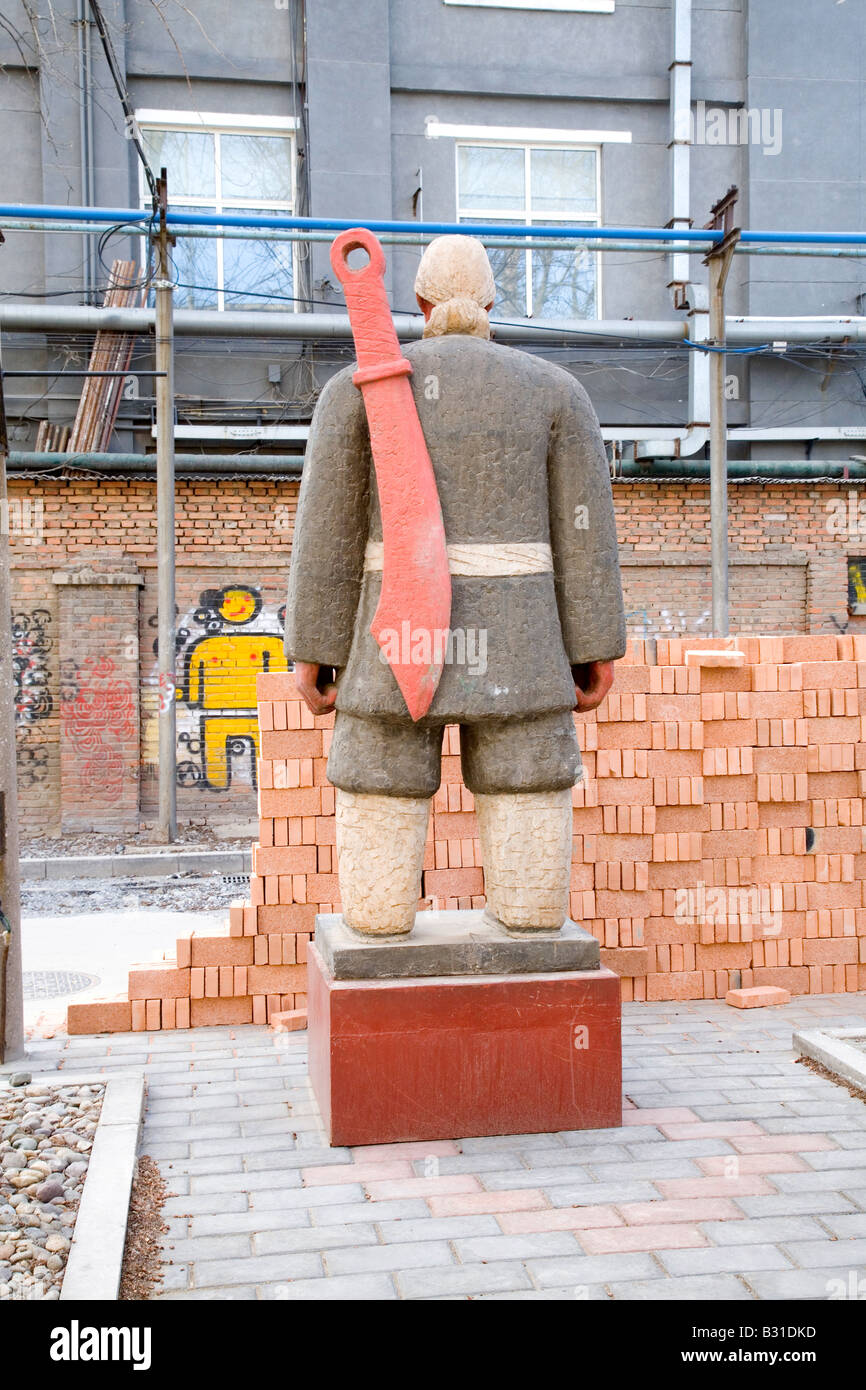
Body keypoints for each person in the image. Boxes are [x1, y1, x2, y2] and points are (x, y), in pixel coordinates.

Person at [284, 234, 625, 937]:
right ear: (492, 302)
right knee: (531, 864)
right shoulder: (558, 393)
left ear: (419, 303)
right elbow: (585, 536)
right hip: (524, 657)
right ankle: (528, 918)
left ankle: (381, 919)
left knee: (377, 826)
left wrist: (312, 648)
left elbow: (327, 534)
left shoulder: (354, 391)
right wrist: (595, 647)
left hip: (390, 651)